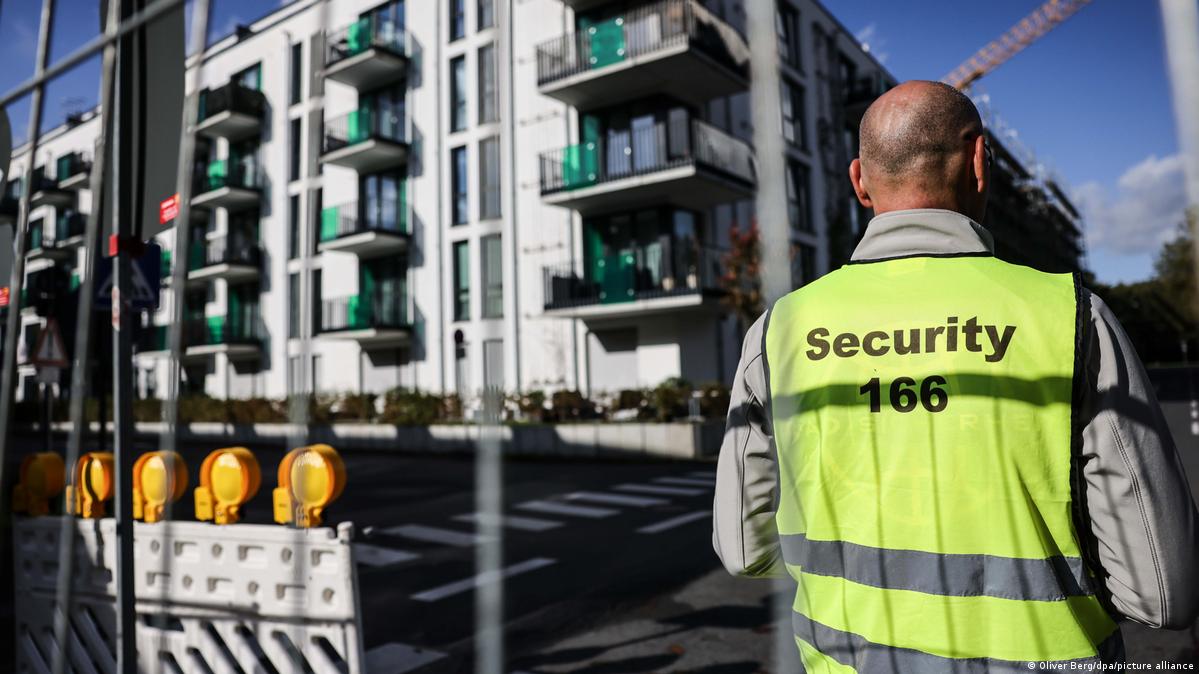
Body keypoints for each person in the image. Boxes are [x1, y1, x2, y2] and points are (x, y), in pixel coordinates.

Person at [712, 80, 1199, 671]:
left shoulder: (776, 334)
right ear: (978, 162)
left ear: (859, 182)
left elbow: (743, 549)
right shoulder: (1071, 318)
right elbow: (1163, 592)